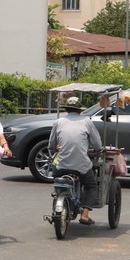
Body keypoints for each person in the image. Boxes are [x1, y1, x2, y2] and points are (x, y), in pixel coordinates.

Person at [50, 96, 103, 225]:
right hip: (81, 165)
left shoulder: (59, 122)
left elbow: (52, 144)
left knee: (56, 176)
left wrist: (57, 148)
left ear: (67, 109)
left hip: (62, 165)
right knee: (91, 186)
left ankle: (59, 197)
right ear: (80, 110)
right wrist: (98, 150)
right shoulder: (86, 121)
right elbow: (97, 144)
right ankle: (85, 215)